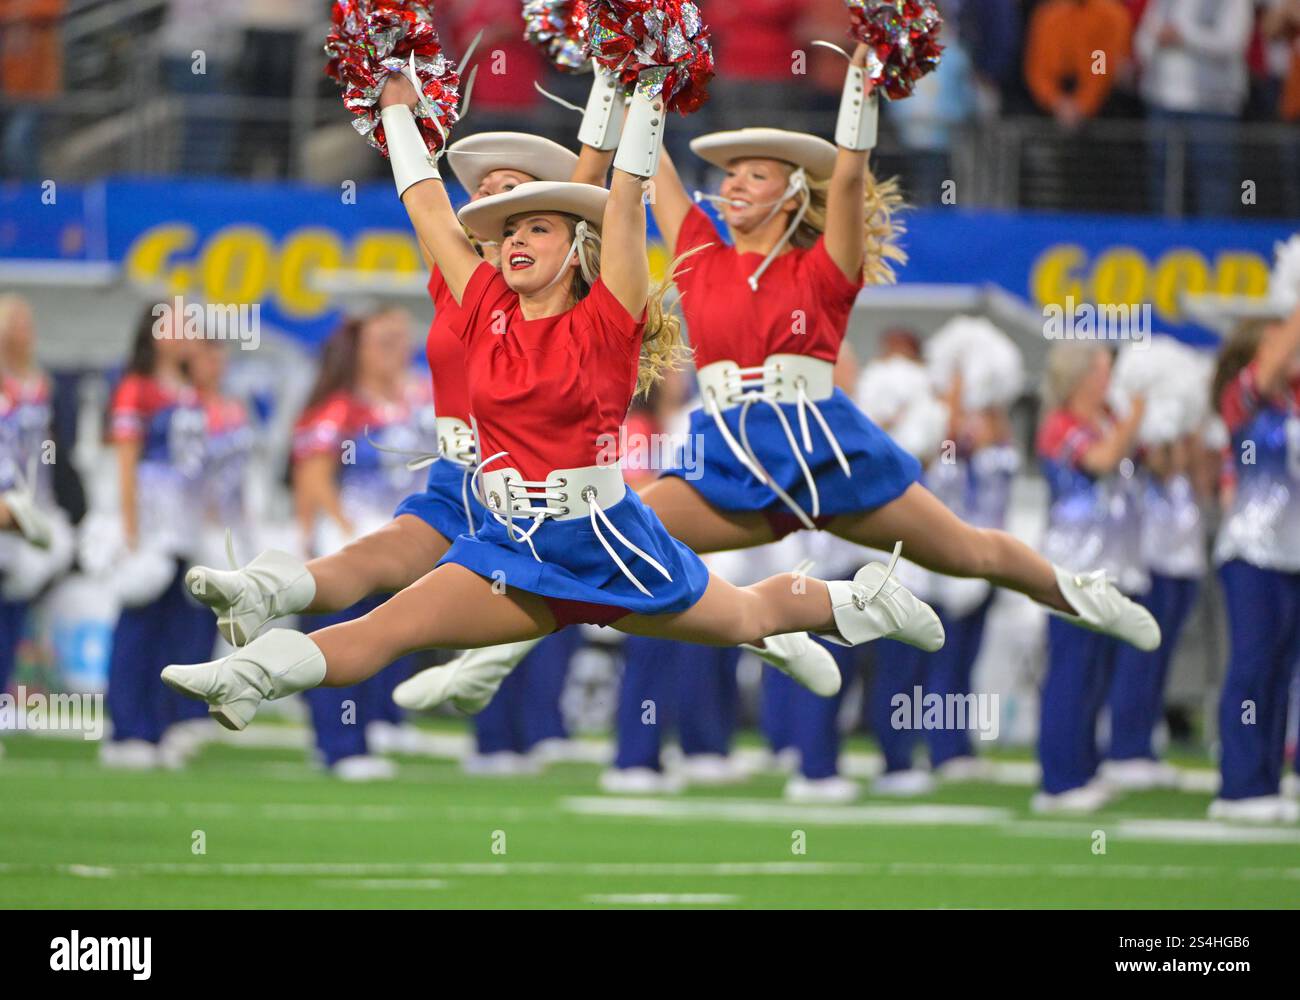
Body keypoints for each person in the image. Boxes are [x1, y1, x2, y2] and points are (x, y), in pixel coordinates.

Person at [161, 57, 940, 727]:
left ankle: (865, 598)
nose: (516, 241)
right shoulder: (481, 308)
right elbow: (426, 203)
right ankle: (244, 676)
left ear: (575, 252)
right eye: (507, 232)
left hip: (607, 541)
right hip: (513, 543)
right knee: (389, 628)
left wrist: (646, 86)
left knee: (749, 615)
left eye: (537, 228)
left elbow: (626, 198)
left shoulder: (607, 321)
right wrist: (393, 103)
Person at [406, 42, 1163, 718]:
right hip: (731, 456)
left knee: (970, 552)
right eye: (730, 173)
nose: (732, 186)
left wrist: (863, 81)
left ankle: (1080, 594)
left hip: (834, 452)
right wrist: (636, 72)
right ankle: (502, 660)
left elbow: (852, 175)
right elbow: (645, 176)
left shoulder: (823, 267)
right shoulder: (699, 247)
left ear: (793, 192)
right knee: (593, 551)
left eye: (754, 175)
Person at [287, 307, 428, 780]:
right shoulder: (338, 406)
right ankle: (338, 741)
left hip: (399, 539)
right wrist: (342, 533)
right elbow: (312, 479)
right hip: (351, 538)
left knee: (386, 637)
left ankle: (371, 725)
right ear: (358, 352)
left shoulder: (416, 401)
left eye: (402, 341)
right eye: (383, 343)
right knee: (342, 636)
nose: (397, 352)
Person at [1033, 342, 1148, 812]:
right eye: (1103, 370)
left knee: (1096, 672)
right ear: (1082, 376)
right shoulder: (1060, 425)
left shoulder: (1103, 419)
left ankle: (1084, 766)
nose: (1110, 378)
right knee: (1071, 670)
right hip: (1072, 567)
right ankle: (1058, 781)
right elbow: (1099, 462)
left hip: (1109, 563)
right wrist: (1136, 414)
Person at [100, 305, 211, 769]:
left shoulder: (190, 393)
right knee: (139, 625)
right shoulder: (136, 389)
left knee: (176, 629)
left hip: (184, 525)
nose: (188, 333)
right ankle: (126, 728)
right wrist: (130, 531)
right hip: (150, 522)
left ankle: (162, 725)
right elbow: (125, 463)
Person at [1207, 306, 1300, 823]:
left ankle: (1266, 778)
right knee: (1252, 665)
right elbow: (1268, 369)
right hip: (1250, 551)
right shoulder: (1241, 399)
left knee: (1282, 671)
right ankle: (1239, 786)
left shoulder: (1293, 401)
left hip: (1292, 552)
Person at [1135, 0, 1254, 216]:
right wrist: (1155, 42)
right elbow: (1143, 40)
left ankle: (1215, 243)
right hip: (1163, 101)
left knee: (1214, 179)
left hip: (1212, 106)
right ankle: (1165, 243)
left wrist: (1184, 36)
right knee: (1162, 179)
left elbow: (1233, 42)